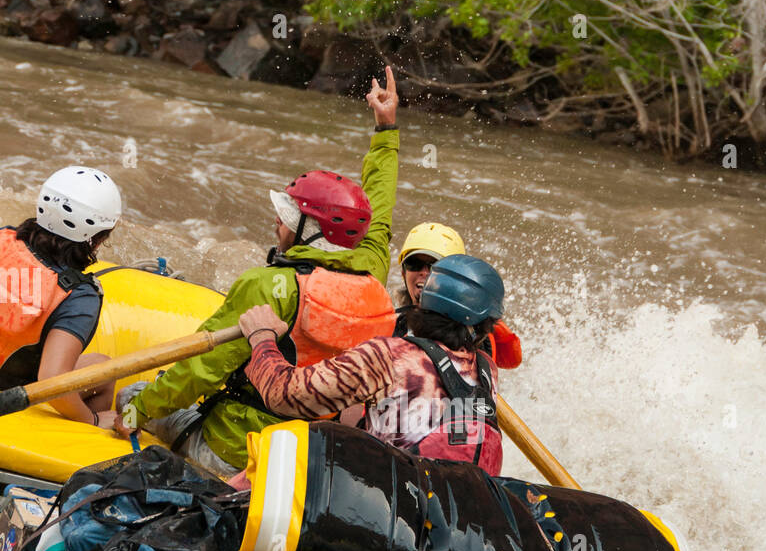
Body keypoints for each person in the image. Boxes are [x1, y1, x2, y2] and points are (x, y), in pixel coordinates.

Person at [115, 67, 401, 478]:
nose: (277, 225)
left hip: (239, 450)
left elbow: (200, 368)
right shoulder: (371, 271)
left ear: (310, 229)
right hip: (314, 455)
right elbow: (379, 207)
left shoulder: (269, 285)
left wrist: (138, 411)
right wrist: (386, 131)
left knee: (132, 393)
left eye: (286, 217)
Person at [237, 254, 507, 474]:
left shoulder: (387, 356)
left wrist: (262, 340)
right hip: (456, 509)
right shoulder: (487, 369)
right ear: (483, 327)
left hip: (393, 510)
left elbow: (284, 395)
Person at [0, 166, 122, 427]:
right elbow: (51, 379)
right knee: (105, 372)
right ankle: (79, 440)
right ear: (98, 239)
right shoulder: (78, 295)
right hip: (6, 398)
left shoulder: (3, 237)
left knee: (99, 364)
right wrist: (92, 419)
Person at [396, 222, 522, 368]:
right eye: (413, 264)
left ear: (456, 276)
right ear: (403, 273)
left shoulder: (480, 328)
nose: (423, 272)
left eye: (434, 266)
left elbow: (512, 359)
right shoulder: (393, 324)